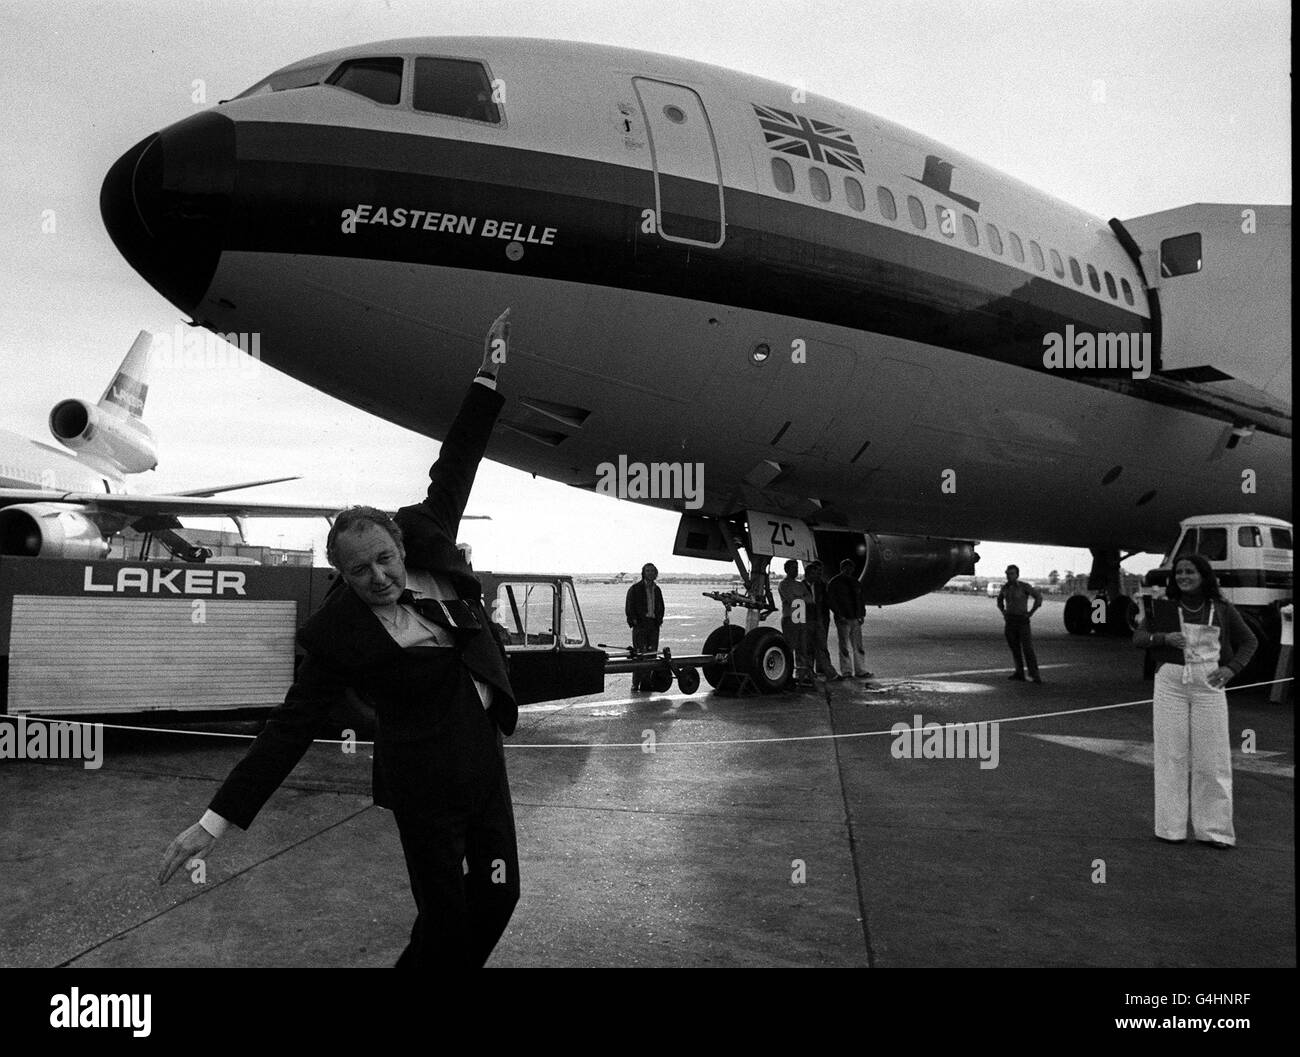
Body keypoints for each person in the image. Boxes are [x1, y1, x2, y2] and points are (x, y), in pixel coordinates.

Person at [159, 310, 521, 968]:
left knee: (499, 896)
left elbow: (458, 457)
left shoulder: (428, 529)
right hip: (425, 788)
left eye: (385, 559)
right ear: (342, 574)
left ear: (398, 543)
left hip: (483, 764)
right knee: (444, 921)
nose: (379, 577)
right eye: (360, 570)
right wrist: (214, 821)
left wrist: (488, 371)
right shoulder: (338, 633)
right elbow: (288, 729)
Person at [1133, 553, 1256, 848]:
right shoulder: (1163, 607)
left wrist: (1231, 669)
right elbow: (1139, 638)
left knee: (1212, 759)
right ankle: (1170, 828)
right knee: (1170, 756)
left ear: (1204, 575)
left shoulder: (1222, 608)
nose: (1183, 577)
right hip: (1170, 683)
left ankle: (1215, 831)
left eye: (1190, 572)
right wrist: (1162, 639)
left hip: (1209, 683)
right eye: (1179, 573)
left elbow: (1250, 641)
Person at [997, 565, 1042, 682]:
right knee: (1015, 648)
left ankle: (1034, 674)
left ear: (1017, 575)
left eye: (1012, 573)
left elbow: (1038, 597)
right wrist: (1003, 612)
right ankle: (1019, 672)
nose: (1009, 576)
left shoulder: (1024, 587)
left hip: (1022, 620)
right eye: (1007, 573)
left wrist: (1031, 612)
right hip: (1010, 621)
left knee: (1027, 648)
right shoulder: (1005, 588)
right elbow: (999, 600)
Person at [827, 559, 871, 678]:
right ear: (842, 568)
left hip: (855, 618)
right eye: (847, 568)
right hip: (843, 619)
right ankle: (847, 671)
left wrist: (862, 614)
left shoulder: (855, 582)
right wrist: (839, 614)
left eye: (851, 568)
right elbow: (831, 601)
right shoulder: (835, 583)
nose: (849, 570)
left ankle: (860, 670)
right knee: (844, 646)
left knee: (858, 646)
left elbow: (861, 600)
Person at [625, 562, 665, 691]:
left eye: (653, 571)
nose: (650, 573)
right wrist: (634, 622)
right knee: (639, 655)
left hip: (653, 625)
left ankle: (647, 684)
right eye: (648, 571)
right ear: (643, 573)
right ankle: (635, 683)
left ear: (656, 573)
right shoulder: (635, 588)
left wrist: (658, 621)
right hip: (640, 626)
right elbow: (629, 607)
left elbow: (661, 607)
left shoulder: (657, 589)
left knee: (651, 655)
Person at [803, 560, 840, 680]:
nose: (818, 574)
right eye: (816, 572)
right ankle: (808, 673)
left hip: (820, 620)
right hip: (807, 621)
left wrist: (838, 613)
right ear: (808, 573)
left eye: (819, 572)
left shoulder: (822, 585)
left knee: (822, 646)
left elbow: (828, 601)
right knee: (808, 648)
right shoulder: (801, 586)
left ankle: (827, 671)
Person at [777, 559, 811, 677]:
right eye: (793, 568)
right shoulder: (784, 584)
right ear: (786, 570)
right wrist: (801, 597)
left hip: (800, 617)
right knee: (790, 647)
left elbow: (809, 599)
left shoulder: (799, 584)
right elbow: (794, 600)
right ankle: (787, 674)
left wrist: (798, 597)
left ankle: (801, 674)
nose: (796, 570)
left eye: (797, 568)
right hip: (790, 617)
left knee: (803, 648)